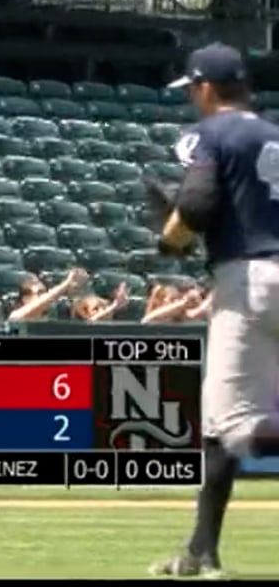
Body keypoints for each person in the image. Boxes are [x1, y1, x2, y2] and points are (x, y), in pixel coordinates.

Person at [151, 43, 279, 578]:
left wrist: (169, 238)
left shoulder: (213, 133)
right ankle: (199, 550)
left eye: (194, 91)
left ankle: (201, 552)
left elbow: (199, 206)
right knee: (233, 420)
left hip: (250, 280)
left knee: (225, 424)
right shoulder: (274, 134)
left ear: (206, 87)